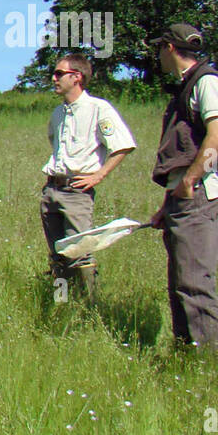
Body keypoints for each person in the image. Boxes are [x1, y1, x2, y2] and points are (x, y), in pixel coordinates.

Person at [148, 24, 218, 352]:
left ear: (170, 49)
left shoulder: (207, 82)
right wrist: (167, 202)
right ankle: (187, 355)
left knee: (195, 283)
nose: (158, 56)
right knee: (180, 284)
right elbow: (181, 156)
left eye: (160, 49)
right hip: (181, 198)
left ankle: (211, 364)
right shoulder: (187, 87)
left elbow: (217, 137)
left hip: (198, 195)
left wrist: (191, 180)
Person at [40, 53, 136, 303]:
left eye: (59, 73)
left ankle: (89, 306)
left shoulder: (98, 109)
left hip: (77, 192)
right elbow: (55, 147)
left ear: (77, 77)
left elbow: (123, 145)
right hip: (52, 189)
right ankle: (61, 302)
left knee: (80, 252)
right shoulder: (57, 113)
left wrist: (99, 175)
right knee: (58, 254)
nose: (54, 78)